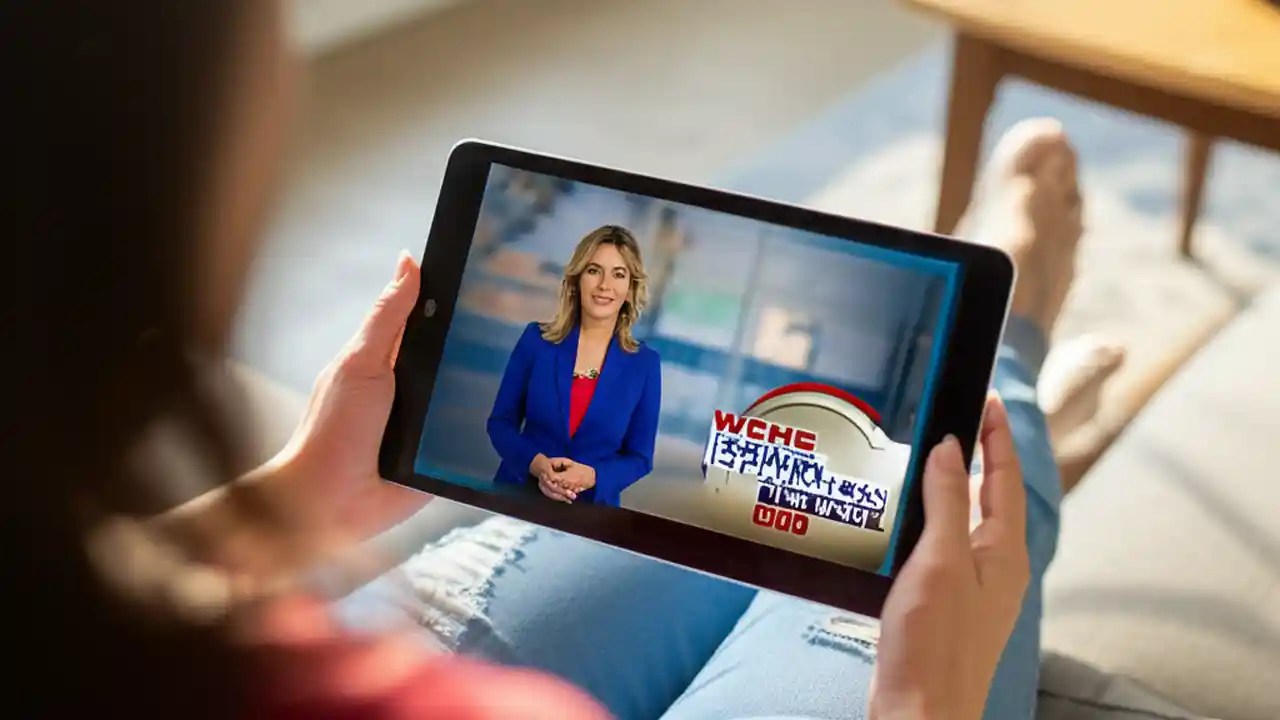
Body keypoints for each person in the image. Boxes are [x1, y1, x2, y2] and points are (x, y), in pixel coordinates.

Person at [8, 1, 1101, 718]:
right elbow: (511, 431)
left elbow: (637, 458)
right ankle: (1013, 348)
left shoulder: (637, 366)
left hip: (597, 499)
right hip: (536, 518)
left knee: (756, 502)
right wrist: (926, 707)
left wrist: (303, 497)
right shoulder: (534, 347)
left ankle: (979, 379)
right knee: (900, 565)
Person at [487, 225, 662, 507]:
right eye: (594, 271)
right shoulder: (536, 341)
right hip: (515, 500)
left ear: (630, 290)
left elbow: (640, 458)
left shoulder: (645, 365)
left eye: (619, 274)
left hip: (590, 515)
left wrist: (593, 476)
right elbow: (500, 424)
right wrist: (537, 464)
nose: (605, 285)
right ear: (577, 279)